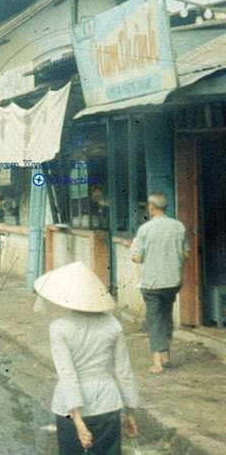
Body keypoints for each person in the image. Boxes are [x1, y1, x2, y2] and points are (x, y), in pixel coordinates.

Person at [34, 261, 139, 454]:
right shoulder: (113, 324)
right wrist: (130, 411)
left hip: (71, 409)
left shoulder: (59, 328)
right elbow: (124, 371)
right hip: (108, 403)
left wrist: (78, 421)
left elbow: (68, 375)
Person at [130, 192, 189, 375]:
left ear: (151, 208)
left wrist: (133, 249)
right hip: (172, 281)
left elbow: (138, 258)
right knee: (166, 316)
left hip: (152, 283)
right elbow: (186, 253)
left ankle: (158, 363)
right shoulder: (179, 227)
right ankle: (166, 356)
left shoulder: (145, 230)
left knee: (155, 320)